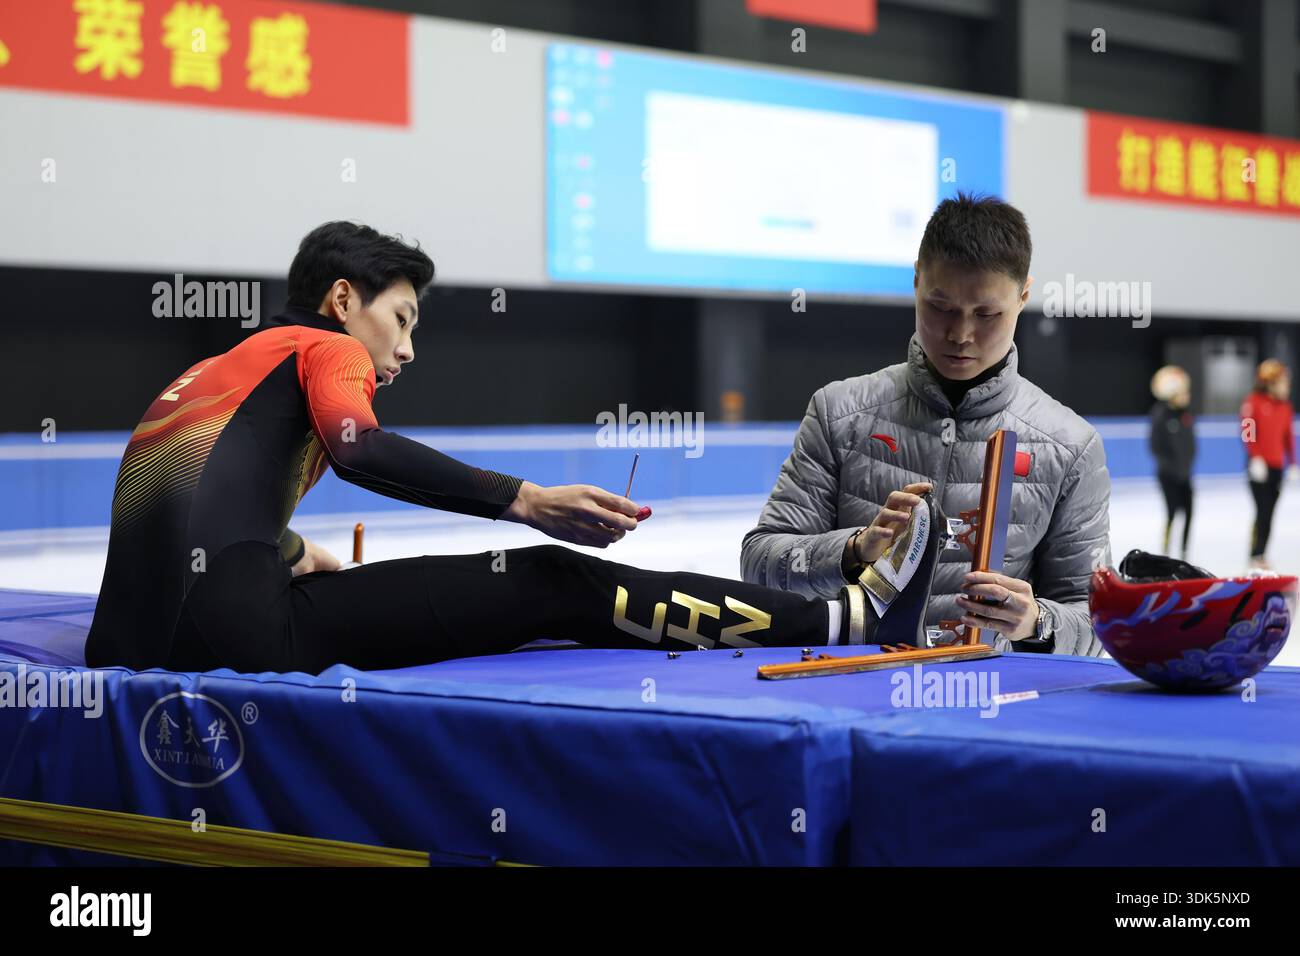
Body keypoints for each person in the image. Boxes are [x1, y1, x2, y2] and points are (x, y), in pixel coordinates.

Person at [86, 222, 900, 675]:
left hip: (125, 646)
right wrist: (528, 501)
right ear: (343, 300)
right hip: (242, 641)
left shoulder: (208, 374)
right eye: (401, 319)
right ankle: (840, 616)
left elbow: (187, 511)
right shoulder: (323, 350)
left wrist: (293, 549)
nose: (405, 352)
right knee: (549, 580)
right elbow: (359, 448)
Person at [741, 193, 1111, 657]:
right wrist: (854, 550)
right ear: (916, 281)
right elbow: (758, 565)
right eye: (942, 307)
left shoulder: (1071, 446)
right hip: (848, 693)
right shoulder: (838, 414)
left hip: (992, 709)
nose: (960, 334)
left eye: (986, 314)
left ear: (1023, 297)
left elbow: (1098, 622)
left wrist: (1037, 621)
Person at [1241, 359, 1296, 570]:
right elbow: (1247, 432)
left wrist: (1292, 462)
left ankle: (1262, 553)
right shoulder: (1252, 402)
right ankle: (1255, 554)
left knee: (1270, 512)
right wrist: (1255, 457)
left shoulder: (1285, 407)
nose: (1287, 386)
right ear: (1270, 383)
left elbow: (1288, 437)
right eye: (1283, 382)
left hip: (1276, 468)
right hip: (1257, 467)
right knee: (1262, 510)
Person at [1147, 365, 1196, 559]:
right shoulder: (1160, 415)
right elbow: (1155, 447)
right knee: (1172, 514)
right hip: (1168, 476)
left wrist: (1186, 467)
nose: (1187, 396)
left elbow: (1191, 445)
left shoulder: (1186, 416)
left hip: (1185, 474)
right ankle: (1166, 549)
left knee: (1190, 512)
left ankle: (1184, 550)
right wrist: (1171, 468)